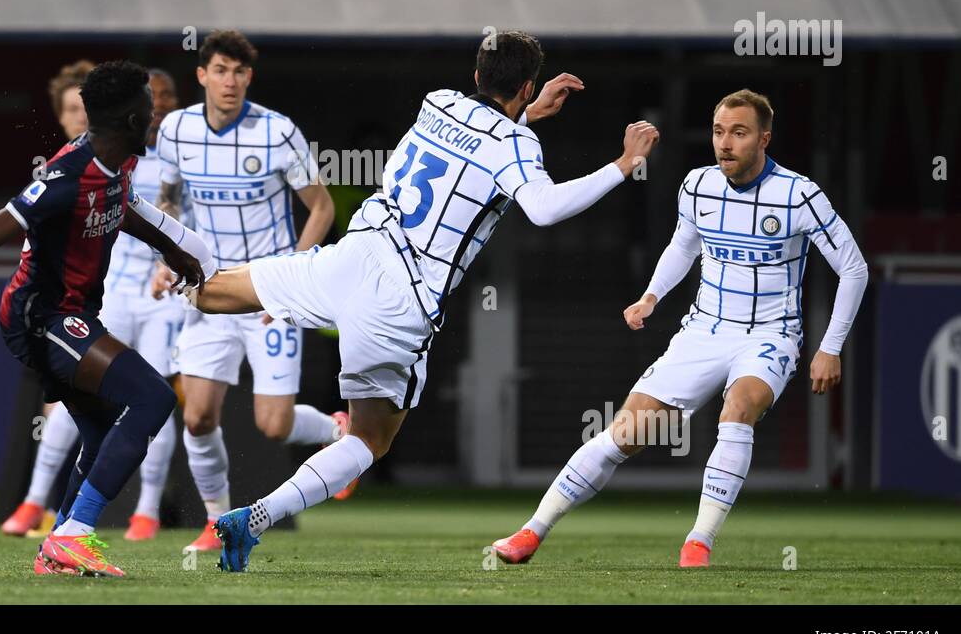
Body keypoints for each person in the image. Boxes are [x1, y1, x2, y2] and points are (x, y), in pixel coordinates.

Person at [189, 31, 660, 572]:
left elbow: (474, 146)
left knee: (210, 291)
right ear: (528, 86)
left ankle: (147, 240)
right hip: (401, 298)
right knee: (369, 438)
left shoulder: (437, 102)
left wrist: (525, 114)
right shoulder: (515, 145)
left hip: (351, 256)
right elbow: (544, 207)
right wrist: (623, 163)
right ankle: (254, 519)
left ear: (476, 75)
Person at [491, 88, 868, 568]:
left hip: (769, 335)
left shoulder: (799, 195)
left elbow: (854, 268)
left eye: (739, 133)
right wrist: (650, 296)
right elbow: (683, 246)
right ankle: (531, 532)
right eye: (718, 132)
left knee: (738, 410)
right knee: (625, 432)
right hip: (704, 331)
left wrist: (830, 347)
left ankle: (698, 542)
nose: (725, 143)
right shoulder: (698, 185)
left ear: (764, 139)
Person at [0, 62, 216, 577]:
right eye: (148, 108)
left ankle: (58, 547)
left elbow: (121, 208)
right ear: (129, 118)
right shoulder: (66, 175)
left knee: (101, 432)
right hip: (40, 317)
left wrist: (171, 250)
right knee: (153, 398)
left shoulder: (119, 160)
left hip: (73, 314)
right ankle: (74, 533)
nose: (155, 115)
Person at [154, 30, 348, 552]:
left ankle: (335, 430)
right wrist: (164, 259)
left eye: (239, 72)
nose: (230, 81)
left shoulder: (277, 131)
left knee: (274, 425)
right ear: (202, 75)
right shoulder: (176, 130)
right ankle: (218, 521)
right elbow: (169, 200)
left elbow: (322, 208)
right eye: (220, 70)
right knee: (197, 417)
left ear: (249, 78)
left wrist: (295, 276)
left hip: (268, 293)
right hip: (209, 291)